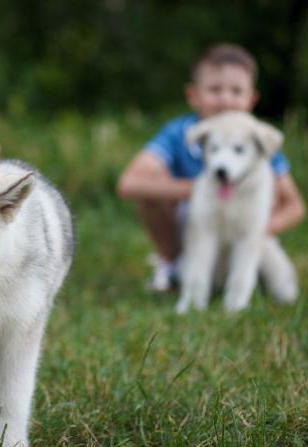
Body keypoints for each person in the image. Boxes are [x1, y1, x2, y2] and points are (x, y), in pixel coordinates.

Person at [117, 43, 305, 291]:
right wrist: (202, 188)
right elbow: (129, 184)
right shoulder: (179, 133)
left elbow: (295, 206)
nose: (226, 98)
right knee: (151, 185)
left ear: (251, 99)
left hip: (244, 228)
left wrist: (255, 232)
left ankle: (249, 282)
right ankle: (172, 265)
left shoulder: (257, 138)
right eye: (215, 89)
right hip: (195, 225)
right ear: (193, 95)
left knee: (277, 274)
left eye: (236, 90)